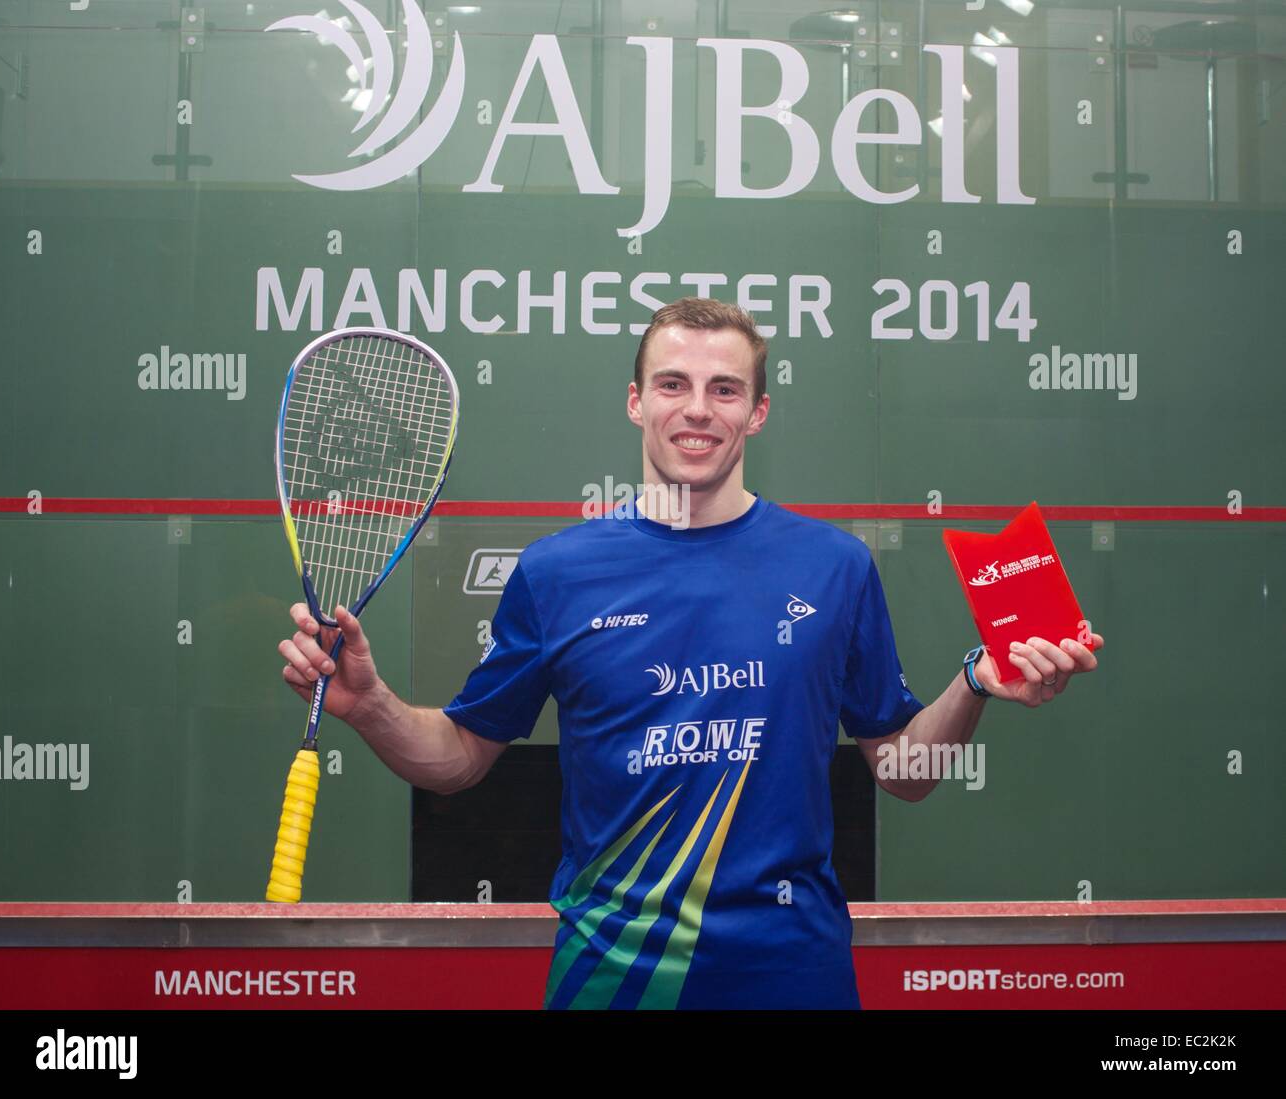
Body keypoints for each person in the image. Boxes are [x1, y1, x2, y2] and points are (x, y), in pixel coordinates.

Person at [278, 297, 1104, 1010]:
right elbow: (459, 758)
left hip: (794, 971)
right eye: (673, 384)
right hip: (614, 975)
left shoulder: (835, 565)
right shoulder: (556, 572)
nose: (697, 408)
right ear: (637, 402)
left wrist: (973, 684)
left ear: (758, 411)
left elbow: (903, 768)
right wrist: (371, 703)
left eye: (725, 389)